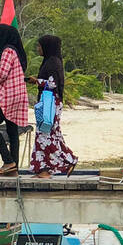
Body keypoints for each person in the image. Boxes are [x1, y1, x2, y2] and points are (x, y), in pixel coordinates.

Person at [29, 34, 77, 179]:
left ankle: (51, 166)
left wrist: (37, 81)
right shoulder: (50, 61)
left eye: (39, 46)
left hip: (51, 104)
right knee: (51, 135)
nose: (38, 49)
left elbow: (52, 84)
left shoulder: (53, 63)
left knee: (45, 135)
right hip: (48, 103)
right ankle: (51, 167)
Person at [0, 23, 29, 176]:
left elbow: (3, 73)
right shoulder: (16, 51)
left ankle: (8, 160)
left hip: (8, 95)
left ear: (3, 35)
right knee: (12, 130)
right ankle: (14, 168)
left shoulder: (6, 51)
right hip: (18, 95)